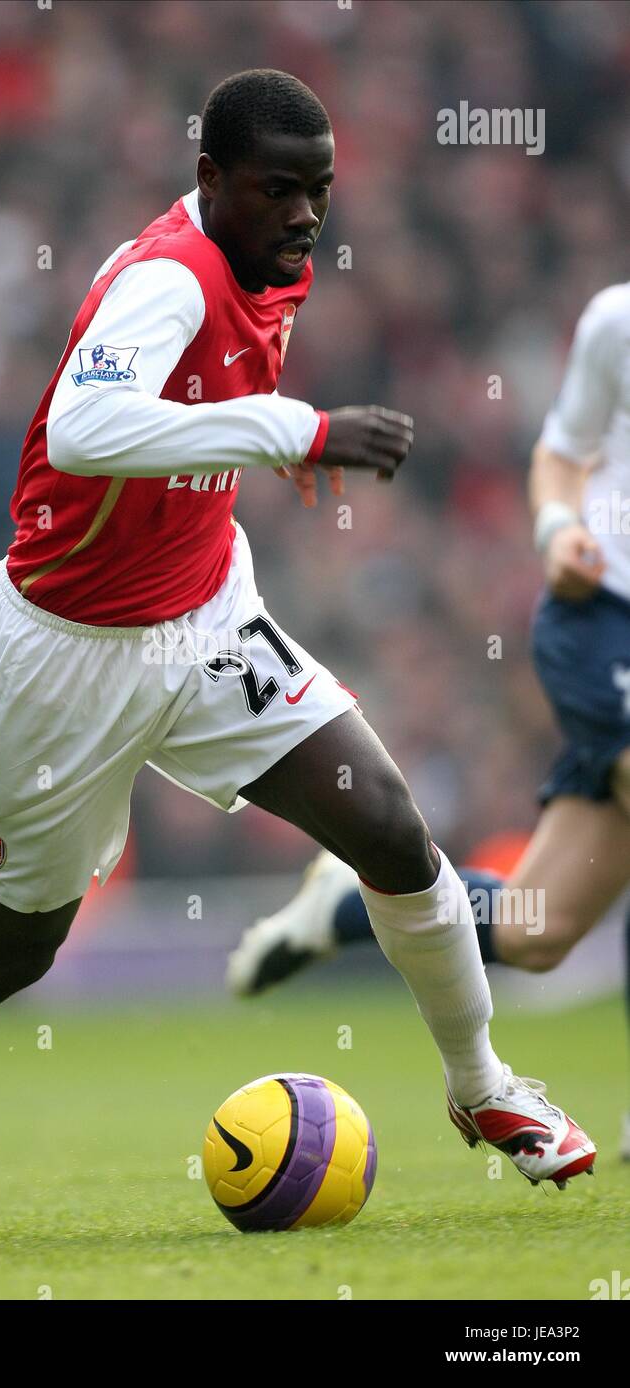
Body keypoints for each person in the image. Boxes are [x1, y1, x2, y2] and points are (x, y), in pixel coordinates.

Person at [0, 70, 594, 1222]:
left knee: (389, 827)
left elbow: (190, 413)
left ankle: (481, 1084)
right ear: (209, 180)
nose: (306, 215)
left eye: (319, 190)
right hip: (62, 656)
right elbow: (82, 422)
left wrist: (260, 447)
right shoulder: (166, 279)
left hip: (206, 614)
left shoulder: (273, 257)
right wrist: (291, 429)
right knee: (15, 950)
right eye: (278, 191)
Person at [228, 280, 630, 1157]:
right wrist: (558, 525)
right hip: (605, 618)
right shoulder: (614, 320)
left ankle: (346, 904)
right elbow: (561, 454)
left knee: (537, 929)